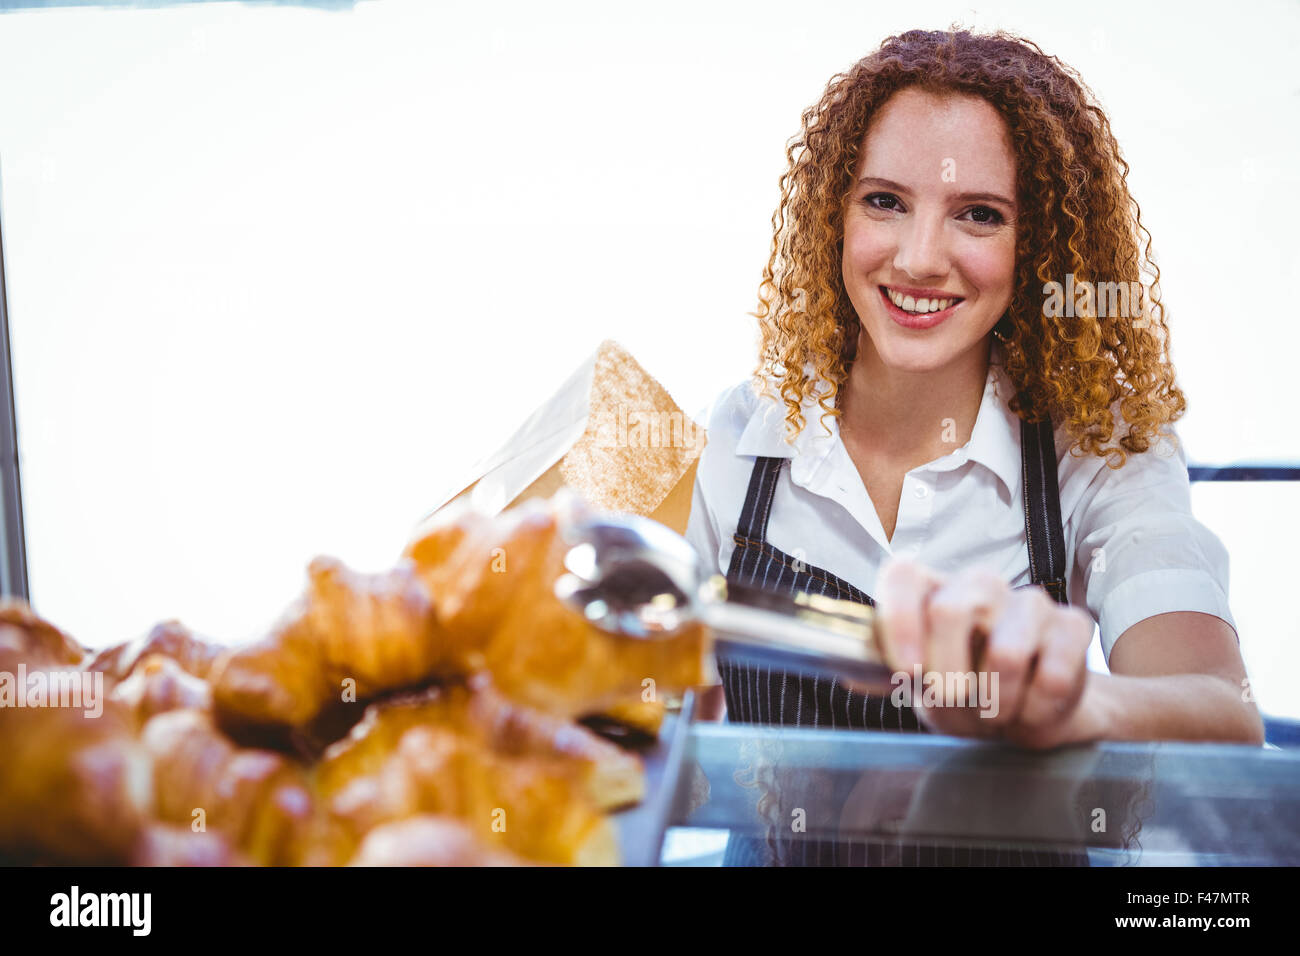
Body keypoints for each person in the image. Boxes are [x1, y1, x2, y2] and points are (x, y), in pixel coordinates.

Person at [683, 28, 1263, 848]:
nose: (920, 259)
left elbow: (1222, 710)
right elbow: (671, 714)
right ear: (834, 216)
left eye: (979, 216)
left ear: (1038, 249)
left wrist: (1072, 705)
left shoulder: (1099, 444)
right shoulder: (747, 433)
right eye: (884, 201)